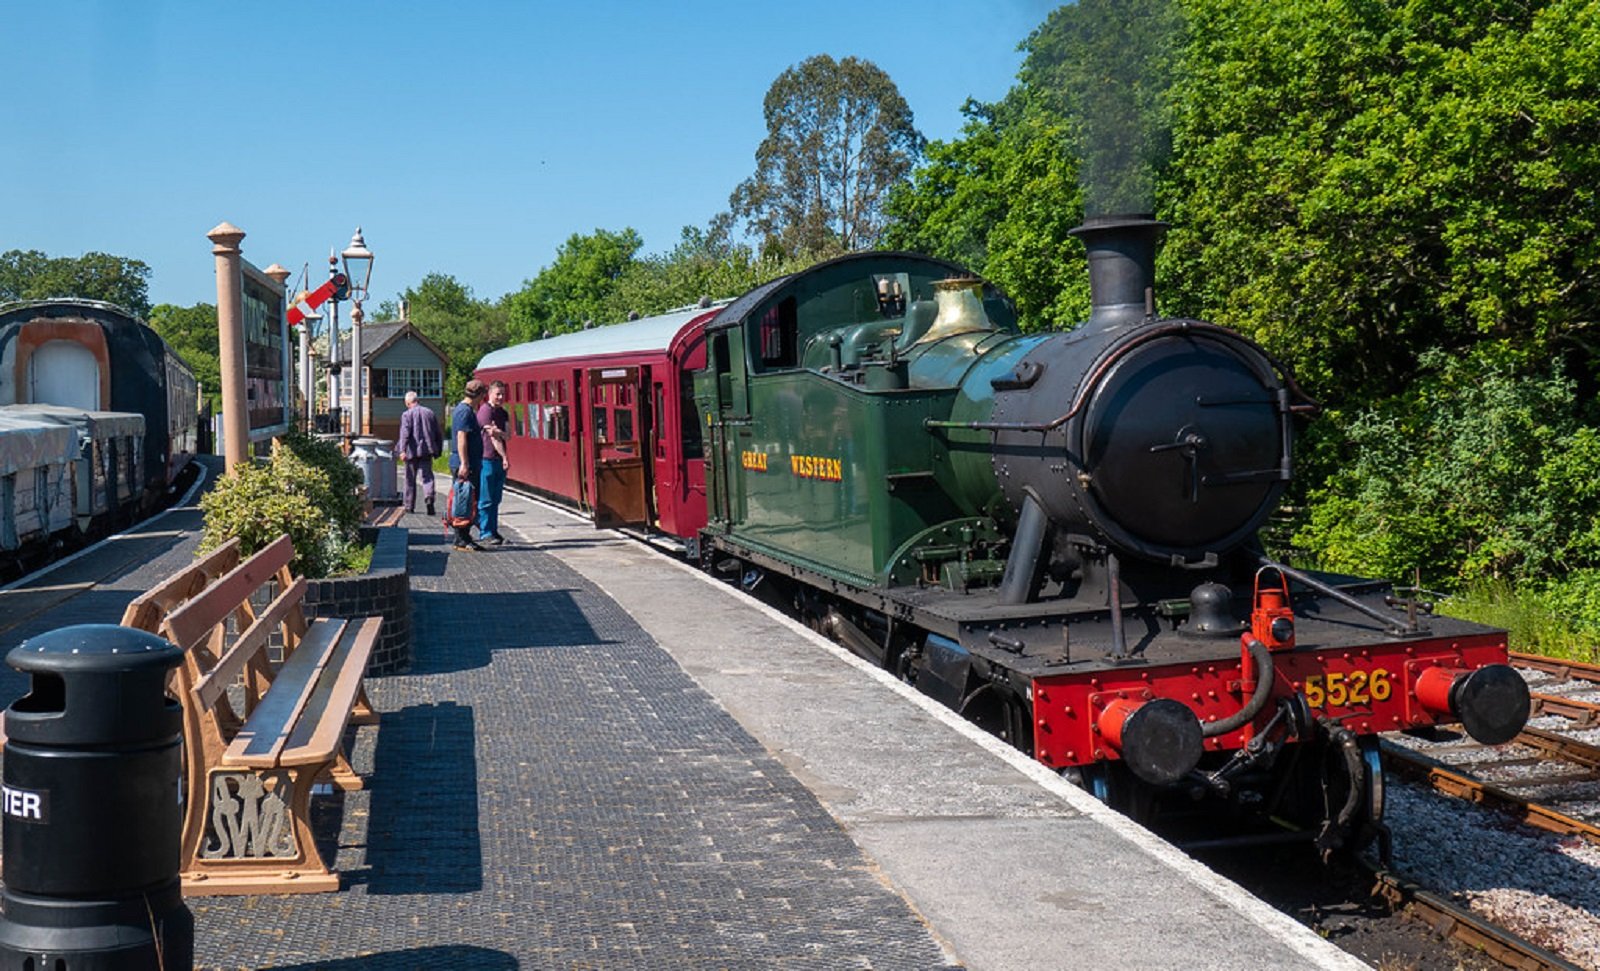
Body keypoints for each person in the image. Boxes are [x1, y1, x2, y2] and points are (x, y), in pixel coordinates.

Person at [448, 379, 488, 551]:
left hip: (467, 462)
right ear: (479, 395)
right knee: (465, 500)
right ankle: (461, 538)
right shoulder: (465, 412)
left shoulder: (463, 410)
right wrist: (465, 463)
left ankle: (463, 536)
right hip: (465, 463)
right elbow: (461, 437)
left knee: (466, 499)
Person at [395, 390, 442, 516]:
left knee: (410, 479)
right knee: (427, 477)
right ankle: (429, 497)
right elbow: (438, 433)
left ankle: (409, 505)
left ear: (407, 403)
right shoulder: (430, 413)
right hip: (427, 451)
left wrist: (402, 450)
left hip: (411, 452)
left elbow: (404, 434)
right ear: (418, 400)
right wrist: (438, 450)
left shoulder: (406, 415)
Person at [477, 380, 511, 545]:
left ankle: (494, 530)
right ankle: (485, 532)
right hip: (487, 459)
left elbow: (508, 435)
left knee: (496, 498)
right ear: (489, 394)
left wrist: (500, 432)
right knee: (486, 498)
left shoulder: (503, 413)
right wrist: (505, 456)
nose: (500, 397)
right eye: (497, 394)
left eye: (503, 394)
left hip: (499, 460)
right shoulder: (485, 411)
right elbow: (493, 436)